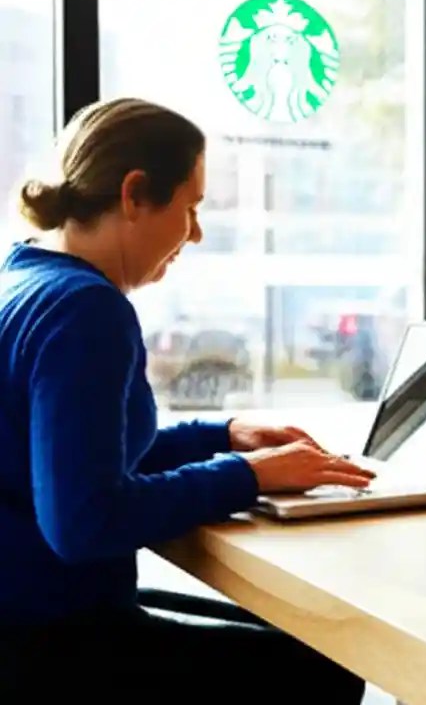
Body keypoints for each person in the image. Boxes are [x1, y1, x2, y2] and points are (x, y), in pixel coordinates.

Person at [0, 97, 377, 703]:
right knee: (326, 667)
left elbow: (85, 457)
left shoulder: (25, 282)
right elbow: (85, 521)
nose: (195, 233)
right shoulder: (86, 311)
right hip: (50, 645)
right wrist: (245, 476)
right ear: (134, 195)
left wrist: (224, 437)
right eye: (191, 207)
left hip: (26, 624)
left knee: (307, 637)